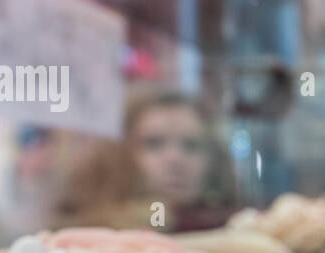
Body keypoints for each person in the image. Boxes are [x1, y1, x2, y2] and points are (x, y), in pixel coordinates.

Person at [59, 88, 235, 232]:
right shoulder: (84, 228)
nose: (175, 160)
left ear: (214, 158)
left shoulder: (232, 225)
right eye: (153, 144)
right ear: (120, 154)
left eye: (191, 145)